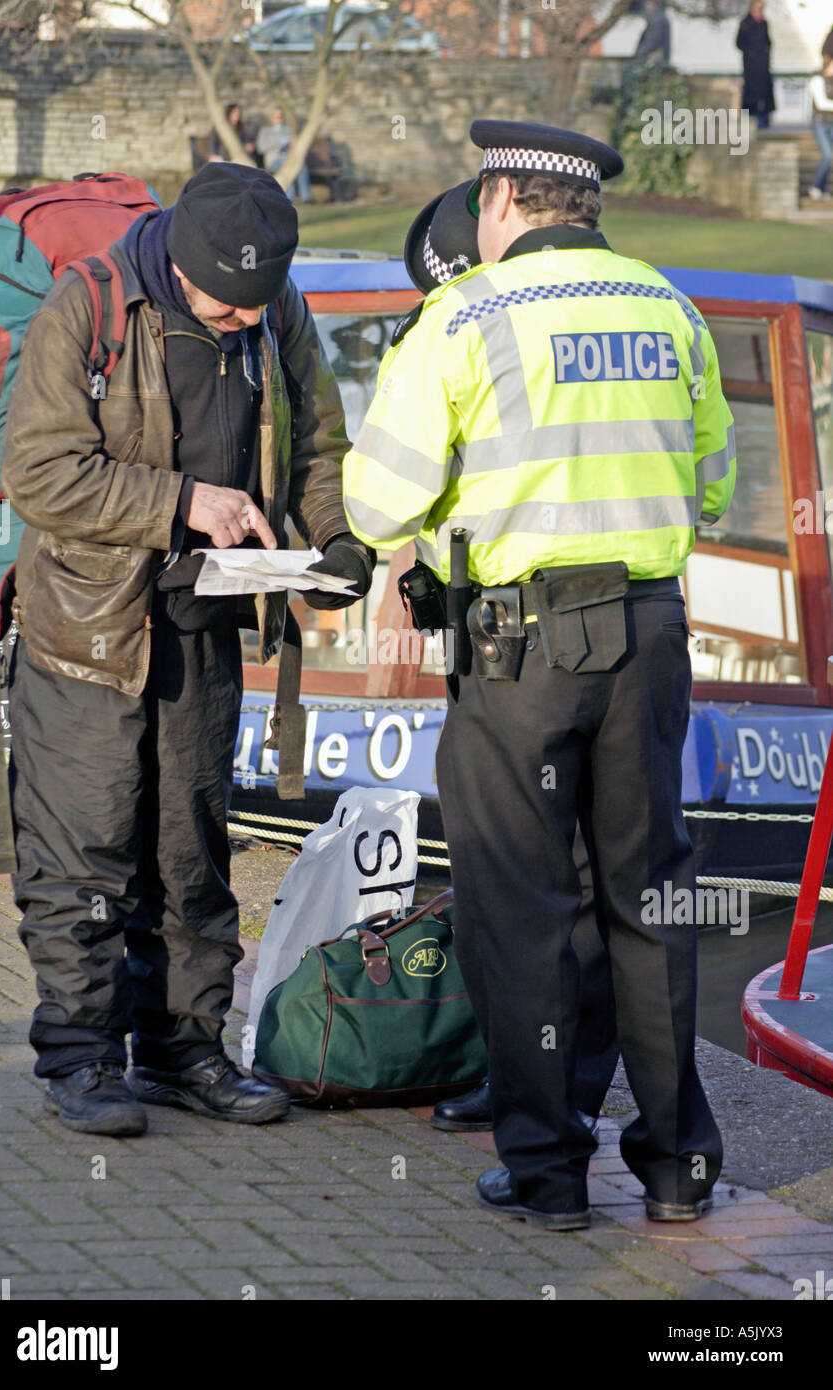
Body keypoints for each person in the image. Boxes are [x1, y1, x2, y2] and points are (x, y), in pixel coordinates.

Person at [344, 120, 734, 1229]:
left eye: (479, 201)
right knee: (647, 898)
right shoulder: (669, 307)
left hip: (518, 652)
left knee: (519, 911)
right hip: (649, 639)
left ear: (503, 200)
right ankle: (674, 1168)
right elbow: (709, 490)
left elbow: (379, 503)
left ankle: (549, 1174)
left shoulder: (463, 316)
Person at [1, 162, 375, 1137]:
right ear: (177, 263)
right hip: (85, 634)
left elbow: (318, 445)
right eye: (225, 308)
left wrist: (335, 540)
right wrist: (178, 503)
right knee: (84, 855)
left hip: (203, 627)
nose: (241, 323)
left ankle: (183, 1051)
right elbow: (36, 469)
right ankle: (81, 1061)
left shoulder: (273, 308)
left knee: (189, 856)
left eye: (256, 310)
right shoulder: (89, 307)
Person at [392, 180, 620, 1137]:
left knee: (555, 880)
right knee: (498, 874)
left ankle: (558, 1095)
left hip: (542, 631)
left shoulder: (531, 322)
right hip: (491, 628)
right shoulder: (452, 322)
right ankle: (520, 1074)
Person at [257, 106, 312, 204]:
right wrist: (277, 143)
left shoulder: (288, 130)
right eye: (276, 117)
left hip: (287, 157)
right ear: (271, 118)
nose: (278, 119)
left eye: (280, 117)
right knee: (285, 166)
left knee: (301, 166)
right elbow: (261, 148)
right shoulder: (265, 131)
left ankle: (306, 197)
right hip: (274, 160)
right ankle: (289, 197)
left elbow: (294, 146)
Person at [736, 2, 774, 130]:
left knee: (764, 93)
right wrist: (752, 52)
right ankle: (752, 118)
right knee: (752, 93)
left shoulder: (764, 23)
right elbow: (739, 43)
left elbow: (768, 41)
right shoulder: (746, 23)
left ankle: (763, 119)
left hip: (763, 65)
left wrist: (765, 51)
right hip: (751, 65)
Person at [809, 57, 833, 200]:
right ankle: (815, 186)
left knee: (831, 157)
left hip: (831, 122)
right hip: (820, 122)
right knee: (827, 155)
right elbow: (821, 103)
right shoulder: (817, 80)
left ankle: (822, 189)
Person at [632, 0, 670, 70]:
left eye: (648, 4)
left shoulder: (658, 20)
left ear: (654, 5)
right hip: (654, 55)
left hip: (652, 56)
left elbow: (653, 40)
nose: (646, 7)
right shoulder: (657, 18)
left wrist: (641, 53)